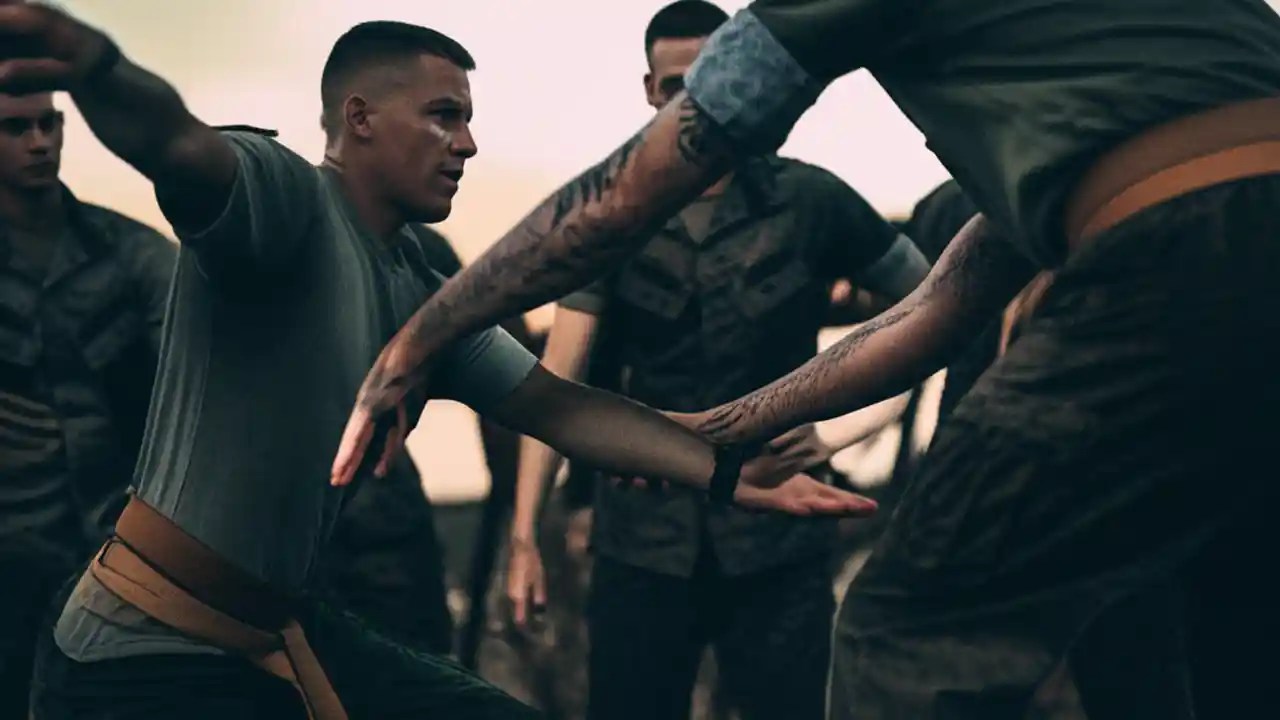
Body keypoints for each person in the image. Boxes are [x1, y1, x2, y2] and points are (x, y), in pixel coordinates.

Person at [339, 0, 1280, 717]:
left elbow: (638, 184)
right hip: (1216, 268)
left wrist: (422, 335)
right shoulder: (1100, 66)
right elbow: (941, 304)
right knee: (1229, 637)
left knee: (902, 640)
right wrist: (721, 434)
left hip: (1181, 257)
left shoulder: (816, 192)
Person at [0, 8, 873, 719]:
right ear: (360, 118)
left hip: (279, 629)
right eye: (444, 115)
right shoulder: (286, 201)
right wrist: (93, 65)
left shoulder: (418, 289)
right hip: (139, 653)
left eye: (468, 119)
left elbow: (560, 408)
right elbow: (179, 147)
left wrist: (723, 468)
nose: (467, 143)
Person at [504, 5, 928, 719]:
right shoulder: (611, 210)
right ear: (648, 90)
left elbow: (934, 306)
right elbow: (556, 379)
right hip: (643, 538)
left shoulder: (811, 200)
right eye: (674, 87)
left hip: (779, 541)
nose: (691, 105)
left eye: (707, 82)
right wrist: (524, 537)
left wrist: (839, 432)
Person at [0, 88, 175, 717]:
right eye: (15, 127)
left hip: (115, 564)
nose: (39, 142)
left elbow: (197, 388)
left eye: (49, 123)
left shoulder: (132, 254)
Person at [318, 224, 531, 658]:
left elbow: (499, 337)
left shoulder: (417, 250)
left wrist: (510, 480)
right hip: (332, 516)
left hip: (374, 509)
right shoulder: (290, 228)